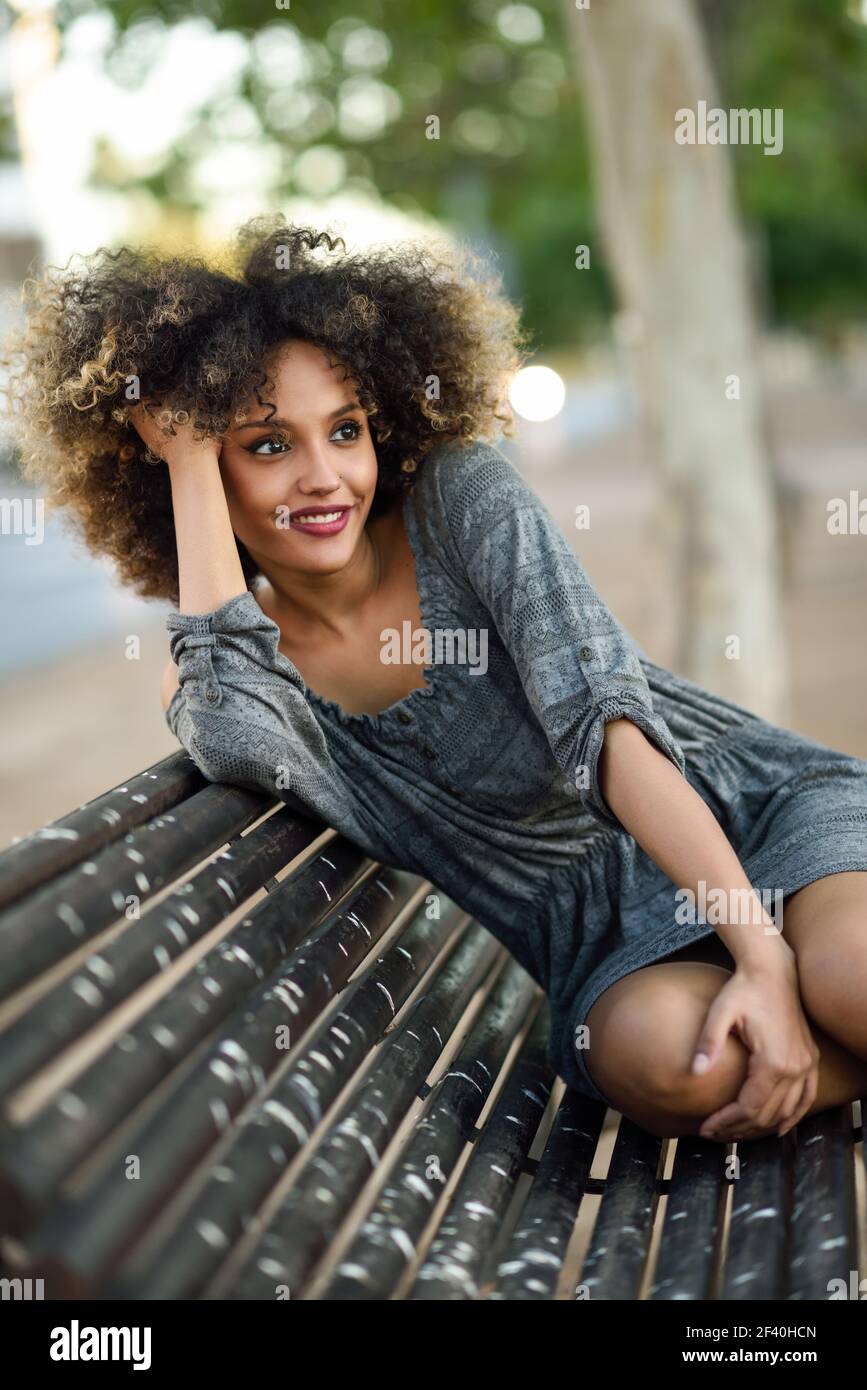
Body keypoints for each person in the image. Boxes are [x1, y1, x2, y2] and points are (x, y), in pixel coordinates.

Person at [7, 219, 867, 1146]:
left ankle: (814, 1009)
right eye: (265, 446)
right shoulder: (252, 684)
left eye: (345, 429)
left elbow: (608, 732)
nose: (324, 476)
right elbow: (233, 735)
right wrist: (183, 455)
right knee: (674, 1060)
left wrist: (761, 958)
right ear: (204, 475)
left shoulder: (462, 504)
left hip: (747, 820)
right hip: (597, 940)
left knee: (847, 975)